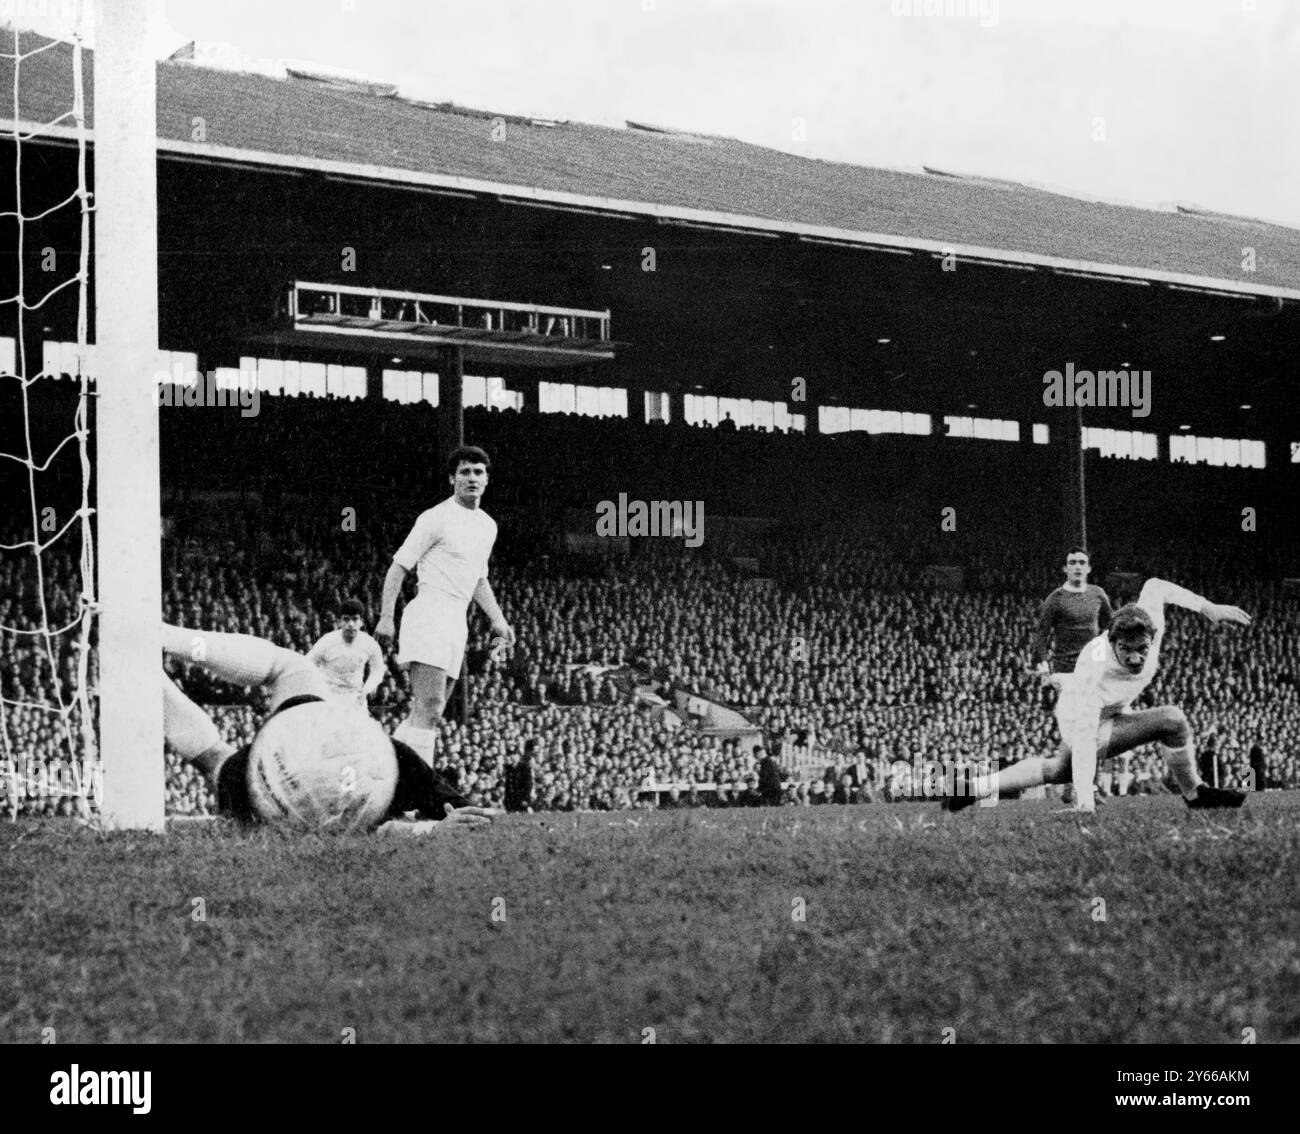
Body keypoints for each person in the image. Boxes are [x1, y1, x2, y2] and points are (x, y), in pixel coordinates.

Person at [946, 577, 1252, 815]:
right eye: (1126, 651)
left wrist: (1207, 607)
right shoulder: (1095, 666)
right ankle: (1195, 794)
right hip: (1080, 715)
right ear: (1112, 642)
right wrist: (1084, 803)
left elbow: (1155, 586)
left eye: (1142, 649)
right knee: (1172, 720)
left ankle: (972, 789)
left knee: (1055, 768)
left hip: (1109, 706)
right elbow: (1083, 740)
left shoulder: (1149, 621)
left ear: (1153, 637)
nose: (1135, 658)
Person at [160, 622, 499, 834]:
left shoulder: (391, 759)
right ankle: (150, 658)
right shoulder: (396, 763)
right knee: (212, 758)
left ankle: (158, 638)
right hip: (274, 781)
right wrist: (436, 828)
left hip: (276, 768)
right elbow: (450, 817)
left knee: (290, 667)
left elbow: (405, 826)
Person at [376, 446, 516, 767]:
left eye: (478, 472)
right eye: (465, 472)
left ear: (487, 480)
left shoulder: (487, 525)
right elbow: (398, 567)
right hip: (429, 611)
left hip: (457, 619)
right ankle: (418, 796)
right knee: (430, 704)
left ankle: (385, 770)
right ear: (452, 478)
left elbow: (478, 578)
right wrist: (386, 617)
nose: (471, 478)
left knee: (431, 711)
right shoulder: (435, 518)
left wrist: (498, 618)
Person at [1033, 547, 1115, 805]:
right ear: (1065, 568)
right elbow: (1041, 635)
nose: (1077, 566)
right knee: (1079, 729)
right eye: (1072, 562)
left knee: (1095, 730)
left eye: (1082, 562)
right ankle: (1082, 786)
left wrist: (1105, 658)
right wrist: (1043, 669)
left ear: (1089, 568)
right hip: (1066, 671)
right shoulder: (1055, 598)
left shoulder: (1098, 594)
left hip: (1093, 670)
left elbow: (1110, 627)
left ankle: (1080, 784)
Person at [306, 598, 387, 714]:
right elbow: (307, 663)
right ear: (340, 621)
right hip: (329, 695)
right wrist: (317, 690)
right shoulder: (327, 641)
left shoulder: (370, 644)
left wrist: (366, 690)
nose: (350, 624)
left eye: (355, 619)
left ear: (362, 621)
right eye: (346, 619)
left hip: (355, 697)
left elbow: (378, 670)